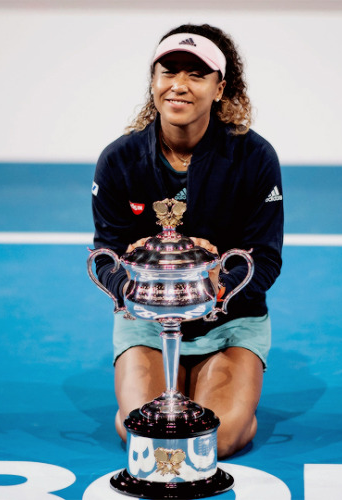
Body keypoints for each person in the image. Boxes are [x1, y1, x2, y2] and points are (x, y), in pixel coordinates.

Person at [92, 23, 283, 458]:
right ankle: (150, 393)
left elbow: (266, 260)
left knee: (220, 438)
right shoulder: (118, 160)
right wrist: (140, 291)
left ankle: (219, 389)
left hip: (231, 323)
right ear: (153, 82)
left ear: (220, 88)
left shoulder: (255, 158)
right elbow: (107, 255)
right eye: (169, 71)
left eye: (196, 74)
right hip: (147, 323)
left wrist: (211, 289)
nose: (179, 85)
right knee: (146, 434)